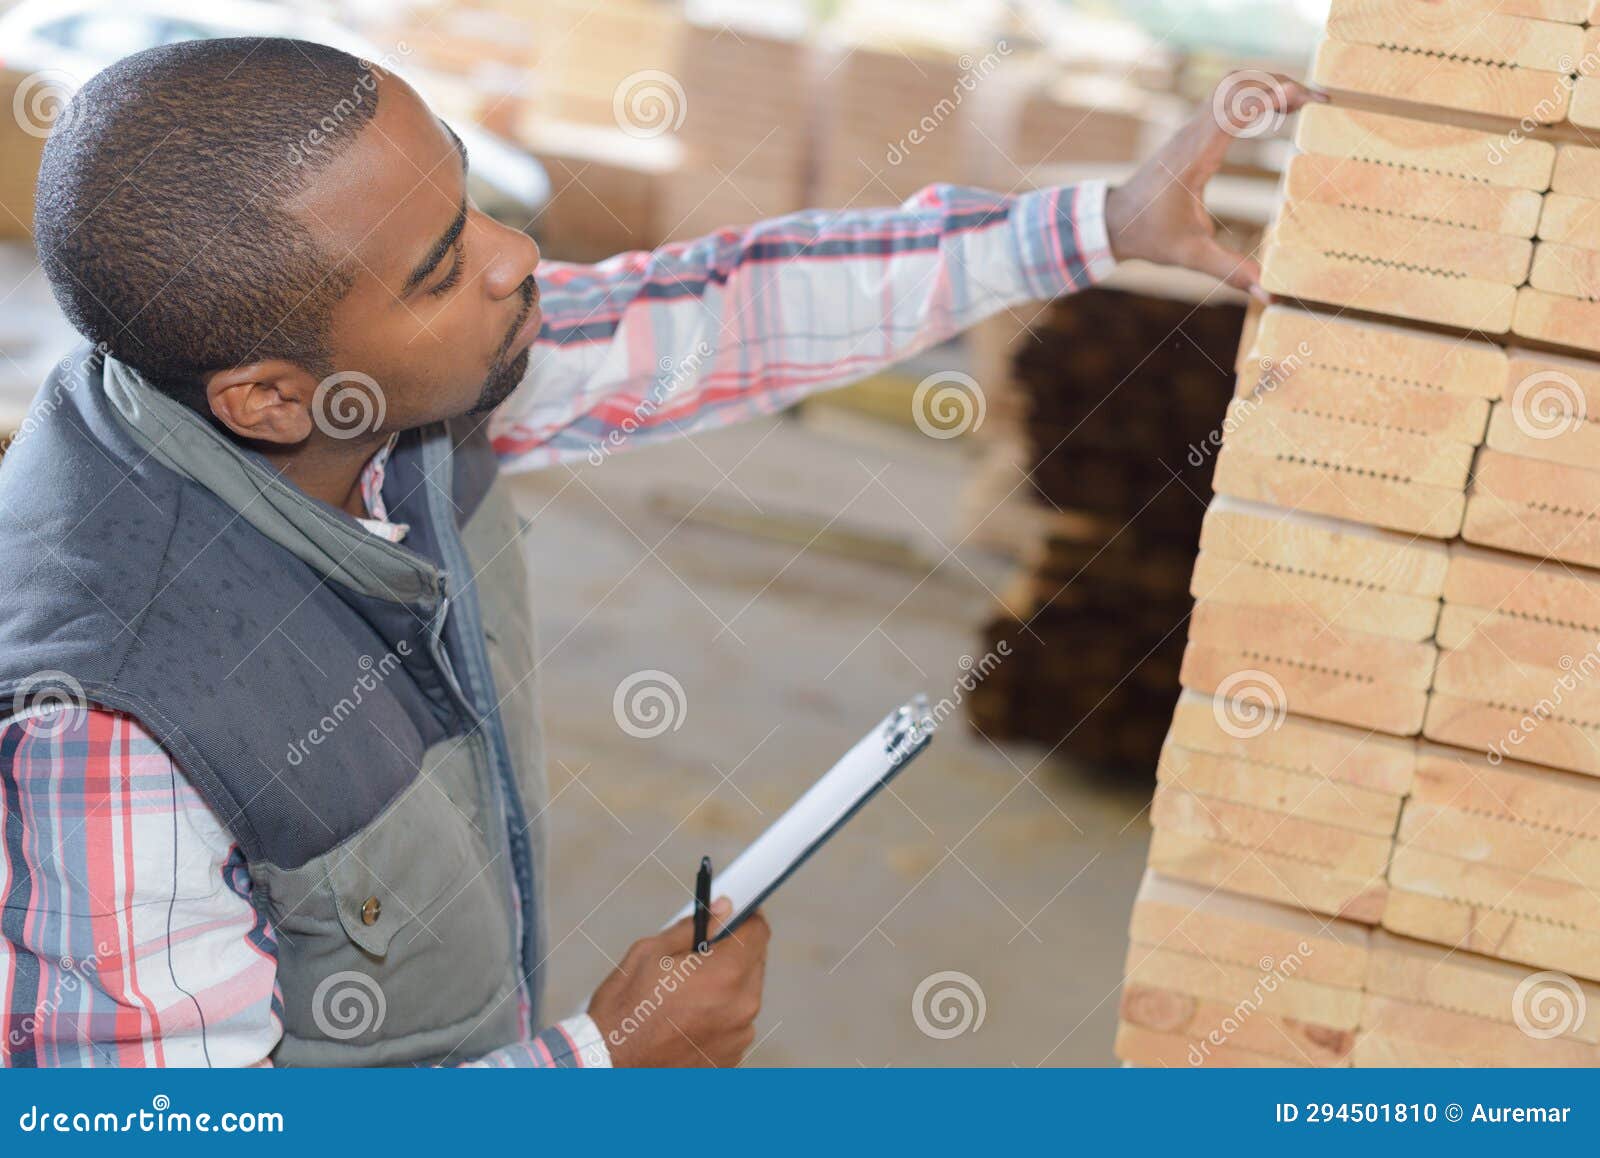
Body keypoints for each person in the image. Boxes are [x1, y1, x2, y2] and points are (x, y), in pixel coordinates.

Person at [0, 37, 1317, 1067]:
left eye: (471, 198)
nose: (519, 256)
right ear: (270, 397)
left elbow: (723, 313)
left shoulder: (383, 389)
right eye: (443, 268)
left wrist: (1101, 224)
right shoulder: (110, 726)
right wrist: (603, 1066)